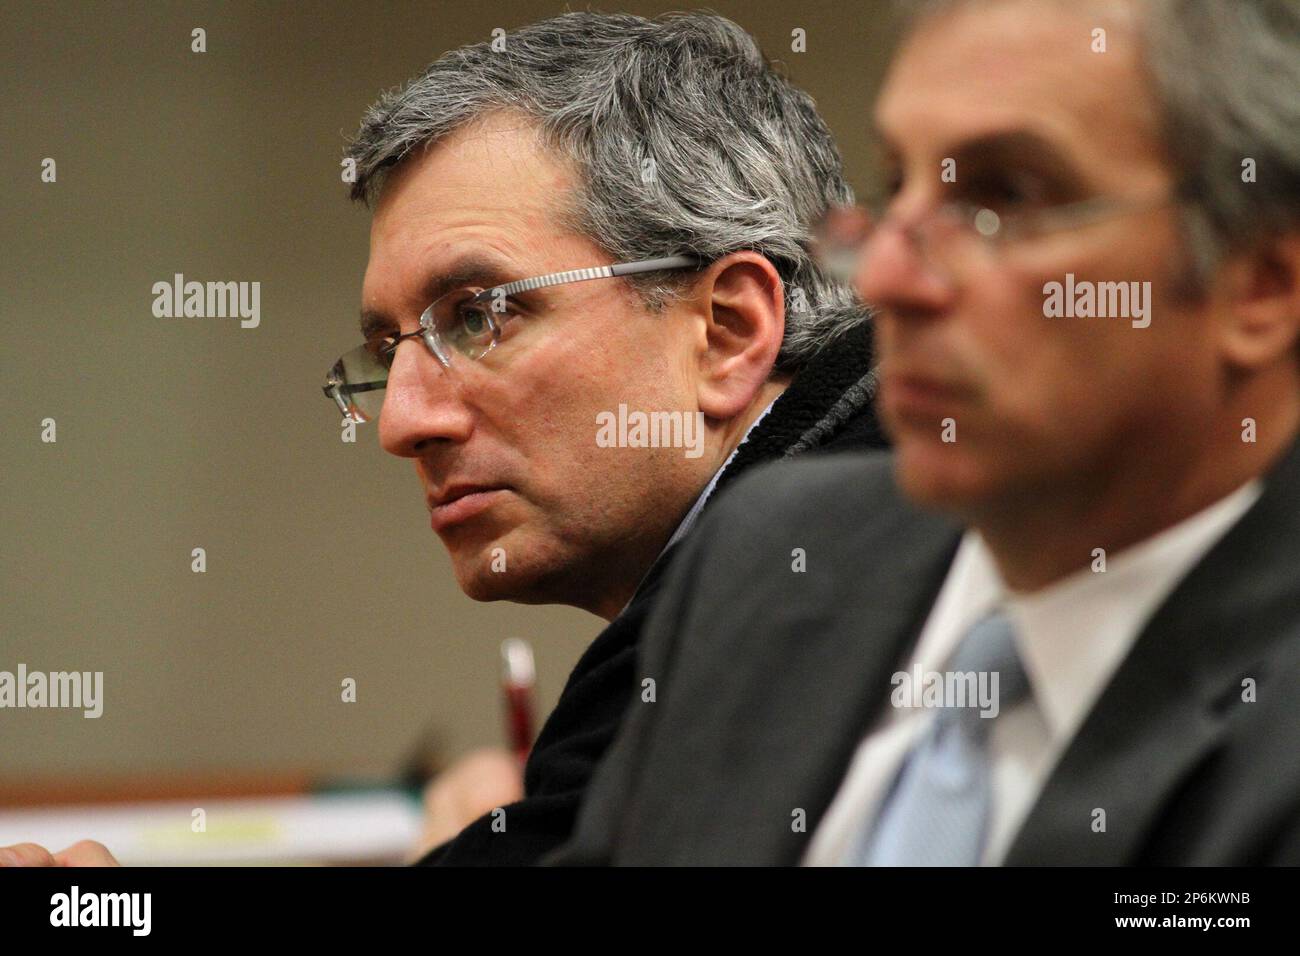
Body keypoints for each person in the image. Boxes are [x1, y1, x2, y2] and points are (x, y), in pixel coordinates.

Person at [0, 11, 887, 869]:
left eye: (479, 316)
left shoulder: (824, 569)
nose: (401, 424)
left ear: (726, 331)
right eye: (388, 354)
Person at [556, 0, 1300, 865]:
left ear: (1262, 286)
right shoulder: (768, 557)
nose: (886, 276)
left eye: (1004, 199)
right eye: (895, 188)